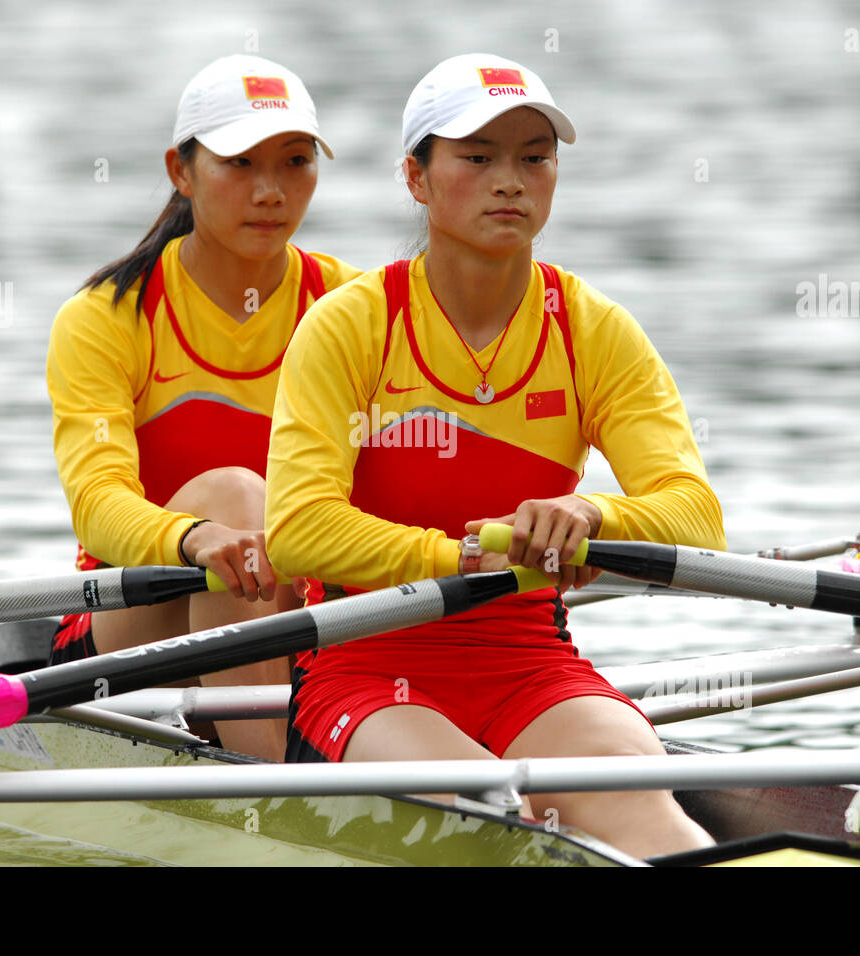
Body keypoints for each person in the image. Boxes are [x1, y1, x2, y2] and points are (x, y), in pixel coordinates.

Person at [264, 54, 723, 856]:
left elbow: (698, 519)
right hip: (367, 664)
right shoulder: (349, 325)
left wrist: (593, 515)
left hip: (531, 664)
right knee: (490, 816)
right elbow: (298, 531)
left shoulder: (594, 329)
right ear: (416, 177)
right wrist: (461, 557)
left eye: (534, 158)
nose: (510, 181)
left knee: (651, 816)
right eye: (477, 158)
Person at [46, 55, 359, 761]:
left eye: (295, 161)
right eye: (239, 163)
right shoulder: (106, 318)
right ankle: (278, 786)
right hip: (131, 636)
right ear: (181, 172)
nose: (270, 192)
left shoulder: (354, 308)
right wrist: (194, 538)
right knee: (237, 500)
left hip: (301, 611)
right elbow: (98, 503)